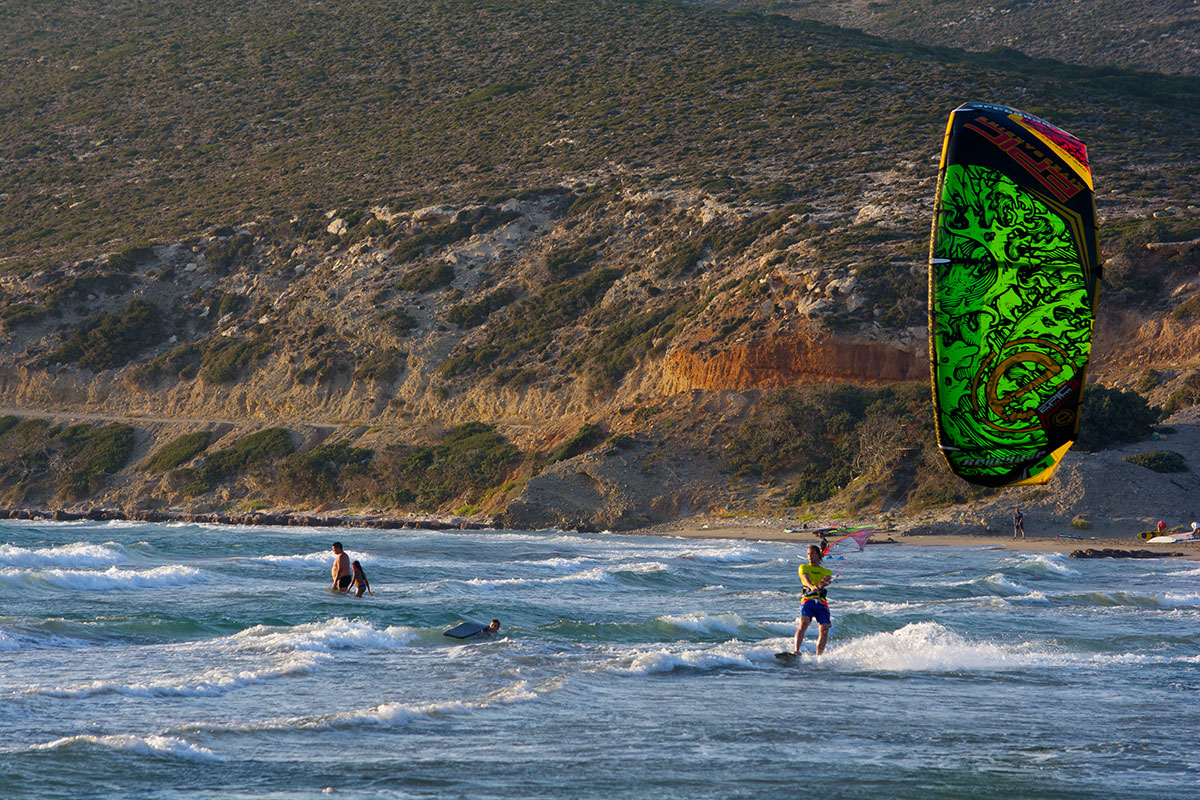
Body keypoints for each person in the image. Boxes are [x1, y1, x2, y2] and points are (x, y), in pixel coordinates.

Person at [793, 545, 833, 656]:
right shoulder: (803, 567)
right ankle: (796, 651)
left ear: (818, 555)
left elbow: (828, 578)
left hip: (821, 602)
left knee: (824, 629)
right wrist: (811, 586)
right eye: (808, 554)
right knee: (804, 623)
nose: (809, 556)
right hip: (808, 600)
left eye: (812, 554)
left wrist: (825, 581)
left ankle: (818, 656)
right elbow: (805, 578)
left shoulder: (826, 571)